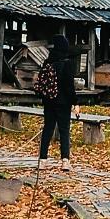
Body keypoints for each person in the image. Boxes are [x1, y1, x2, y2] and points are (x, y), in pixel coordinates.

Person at [37, 31, 78, 168]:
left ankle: (42, 160)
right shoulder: (67, 63)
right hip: (63, 102)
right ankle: (65, 161)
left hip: (49, 101)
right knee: (64, 130)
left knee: (47, 129)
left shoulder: (48, 62)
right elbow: (69, 86)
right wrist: (75, 102)